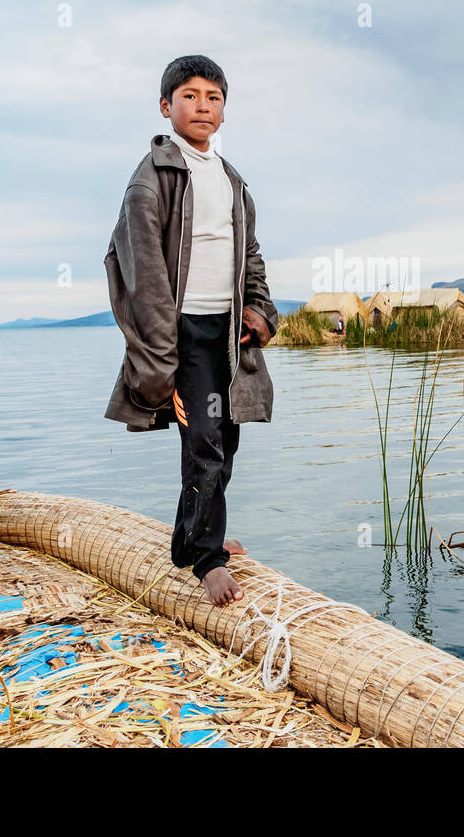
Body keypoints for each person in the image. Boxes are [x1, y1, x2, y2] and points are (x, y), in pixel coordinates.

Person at [105, 54, 278, 608]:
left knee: (224, 440)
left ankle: (190, 538)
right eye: (189, 96)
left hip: (227, 333)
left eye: (213, 97)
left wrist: (259, 311)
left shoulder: (230, 180)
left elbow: (249, 253)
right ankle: (207, 560)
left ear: (224, 110)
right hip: (181, 331)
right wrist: (160, 359)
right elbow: (144, 275)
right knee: (202, 441)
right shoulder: (150, 179)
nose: (202, 106)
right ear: (165, 106)